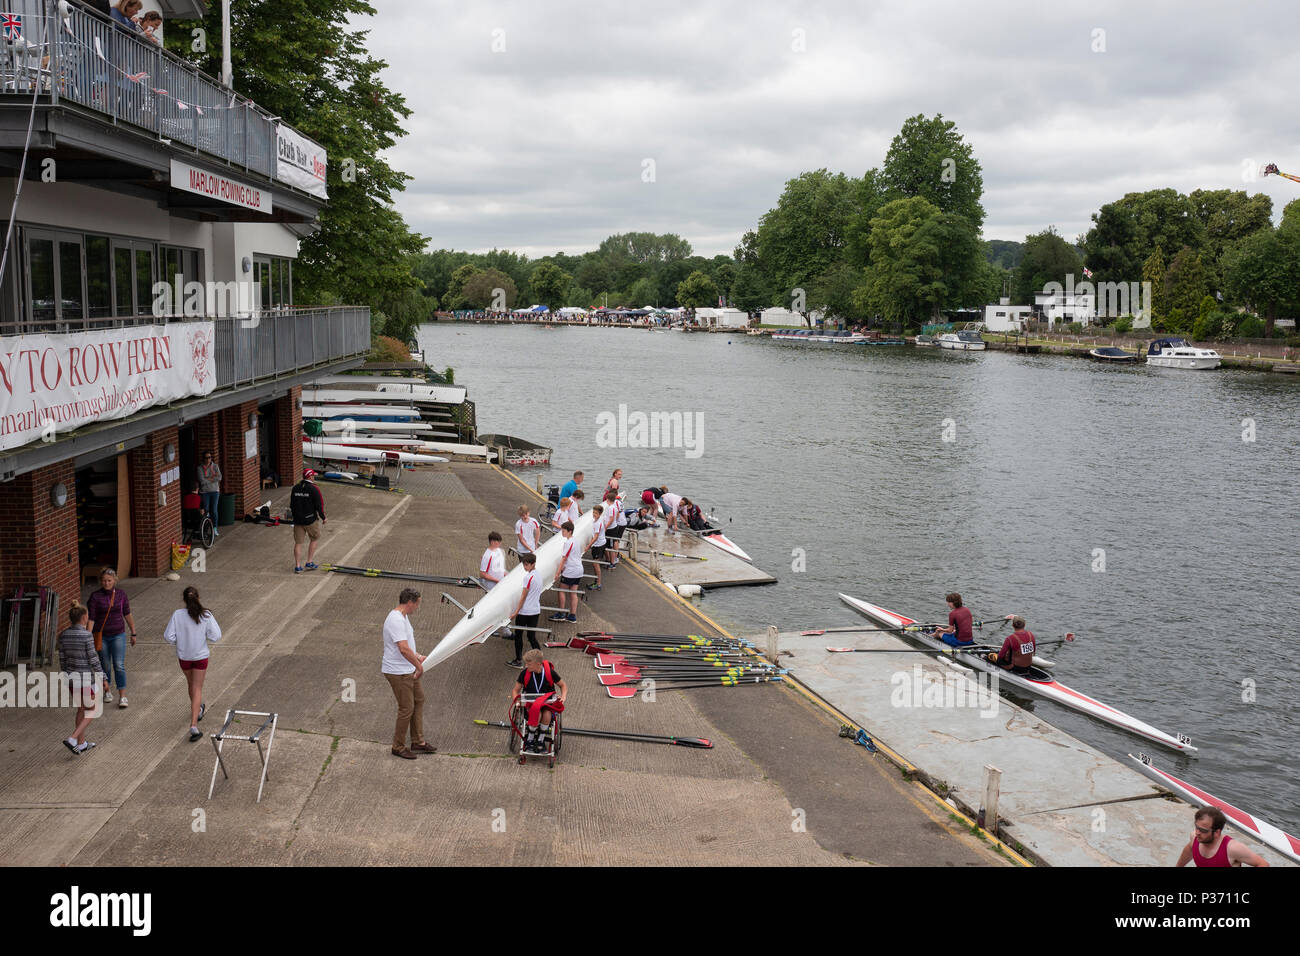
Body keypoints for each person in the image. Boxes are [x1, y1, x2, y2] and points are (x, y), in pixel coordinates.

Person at [381, 588, 436, 759]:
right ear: (410, 602)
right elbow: (403, 649)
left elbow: (408, 647)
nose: (417, 608)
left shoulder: (403, 617)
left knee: (419, 700)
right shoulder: (395, 620)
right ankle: (397, 746)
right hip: (398, 671)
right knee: (406, 708)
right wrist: (419, 667)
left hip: (407, 668)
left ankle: (417, 741)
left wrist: (418, 657)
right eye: (417, 604)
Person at [163, 586, 222, 742]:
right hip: (200, 656)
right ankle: (194, 724)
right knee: (197, 687)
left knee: (191, 685)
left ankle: (197, 709)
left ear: (184, 600)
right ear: (198, 597)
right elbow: (216, 636)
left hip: (184, 657)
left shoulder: (177, 615)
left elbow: (168, 636)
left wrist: (181, 641)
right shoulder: (206, 615)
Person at [58, 602, 104, 755]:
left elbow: (62, 660)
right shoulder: (86, 636)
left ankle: (82, 743)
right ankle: (73, 738)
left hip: (71, 679)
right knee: (93, 709)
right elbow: (94, 660)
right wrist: (103, 678)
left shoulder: (63, 635)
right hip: (85, 680)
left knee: (81, 709)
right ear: (84, 618)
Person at [87, 568, 136, 708]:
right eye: (104, 580)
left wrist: (133, 632)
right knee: (105, 665)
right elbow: (91, 618)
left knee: (119, 665)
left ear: (114, 580)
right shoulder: (95, 597)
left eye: (109, 580)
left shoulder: (121, 594)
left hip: (118, 634)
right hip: (101, 636)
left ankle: (123, 696)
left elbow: (127, 613)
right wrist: (87, 637)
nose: (106, 583)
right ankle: (107, 691)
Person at [512, 649, 567, 753]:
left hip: (547, 703)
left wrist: (563, 697)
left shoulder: (549, 673)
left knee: (546, 714)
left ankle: (540, 740)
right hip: (531, 704)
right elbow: (515, 690)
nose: (526, 666)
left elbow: (563, 685)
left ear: (538, 664)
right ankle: (530, 739)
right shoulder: (525, 673)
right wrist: (517, 701)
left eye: (529, 664)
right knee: (537, 713)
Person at [1176, 807, 1269, 867]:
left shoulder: (1233, 848)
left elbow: (1263, 864)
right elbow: (1189, 850)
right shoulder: (1195, 837)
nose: (1197, 832)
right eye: (1197, 827)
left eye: (1203, 830)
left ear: (1217, 832)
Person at [508, 552, 544, 667]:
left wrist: (516, 612)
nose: (525, 566)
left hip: (525, 612)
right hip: (535, 611)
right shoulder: (538, 574)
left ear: (533, 564)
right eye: (524, 564)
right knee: (531, 636)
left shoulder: (528, 577)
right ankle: (541, 661)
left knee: (518, 635)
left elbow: (523, 597)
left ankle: (518, 660)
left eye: (527, 564)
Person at [291, 468, 326, 573]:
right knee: (314, 539)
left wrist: (294, 516)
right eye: (313, 475)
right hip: (310, 520)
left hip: (298, 520)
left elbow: (292, 505)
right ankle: (309, 562)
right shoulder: (314, 489)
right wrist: (323, 517)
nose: (314, 477)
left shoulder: (295, 488)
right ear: (310, 477)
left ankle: (297, 566)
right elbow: (319, 505)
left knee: (298, 543)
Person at [549, 520, 583, 624]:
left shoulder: (568, 543)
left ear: (569, 531)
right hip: (578, 570)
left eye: (563, 531)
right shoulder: (575, 541)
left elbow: (564, 558)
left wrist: (557, 573)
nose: (562, 532)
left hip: (571, 571)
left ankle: (561, 613)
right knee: (573, 593)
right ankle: (572, 616)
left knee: (561, 590)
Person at [197, 451, 222, 537]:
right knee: (206, 511)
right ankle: (206, 529)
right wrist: (212, 478)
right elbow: (201, 481)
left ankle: (214, 528)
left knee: (214, 511)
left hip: (215, 491)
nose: (208, 459)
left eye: (210, 457)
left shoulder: (215, 466)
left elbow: (219, 477)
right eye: (206, 457)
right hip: (204, 492)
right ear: (203, 458)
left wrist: (207, 478)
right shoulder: (199, 468)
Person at [587, 505, 606, 591]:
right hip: (599, 544)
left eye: (596, 513)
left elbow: (596, 537)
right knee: (595, 564)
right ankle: (596, 581)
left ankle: (598, 584)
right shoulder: (598, 520)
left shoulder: (598, 523)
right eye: (593, 512)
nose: (594, 514)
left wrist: (588, 546)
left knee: (595, 564)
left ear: (600, 514)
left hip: (598, 545)